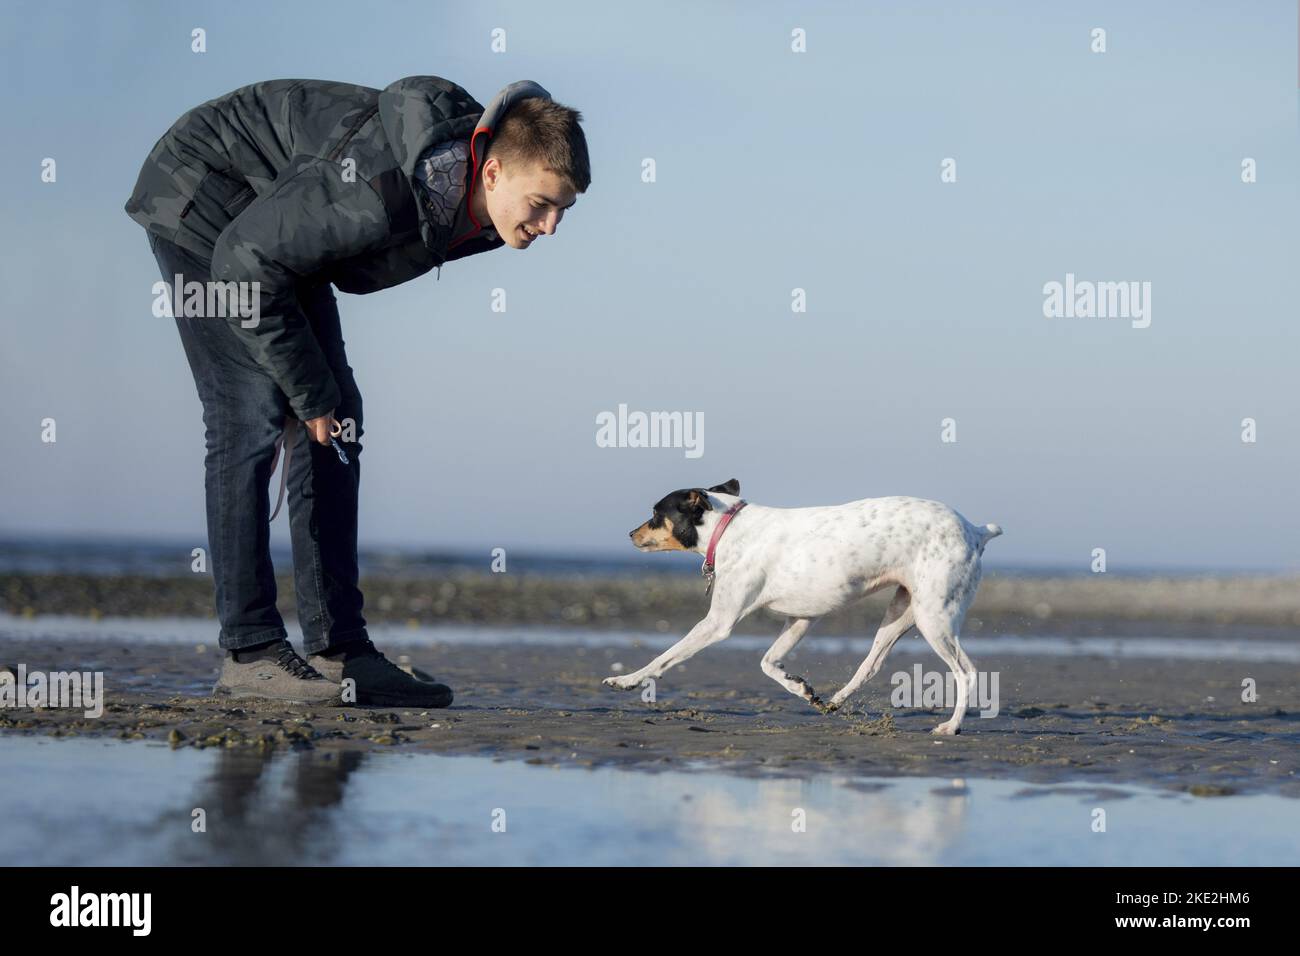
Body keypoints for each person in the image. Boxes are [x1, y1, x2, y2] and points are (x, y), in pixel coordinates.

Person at [124, 75, 590, 706]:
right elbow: (246, 260)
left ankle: (339, 649)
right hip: (204, 199)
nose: (551, 226)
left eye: (563, 210)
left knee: (335, 419)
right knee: (250, 414)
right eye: (541, 203)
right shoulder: (379, 189)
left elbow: (301, 251)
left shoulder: (479, 206)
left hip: (280, 231)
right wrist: (308, 394)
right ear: (493, 171)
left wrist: (319, 399)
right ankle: (251, 651)